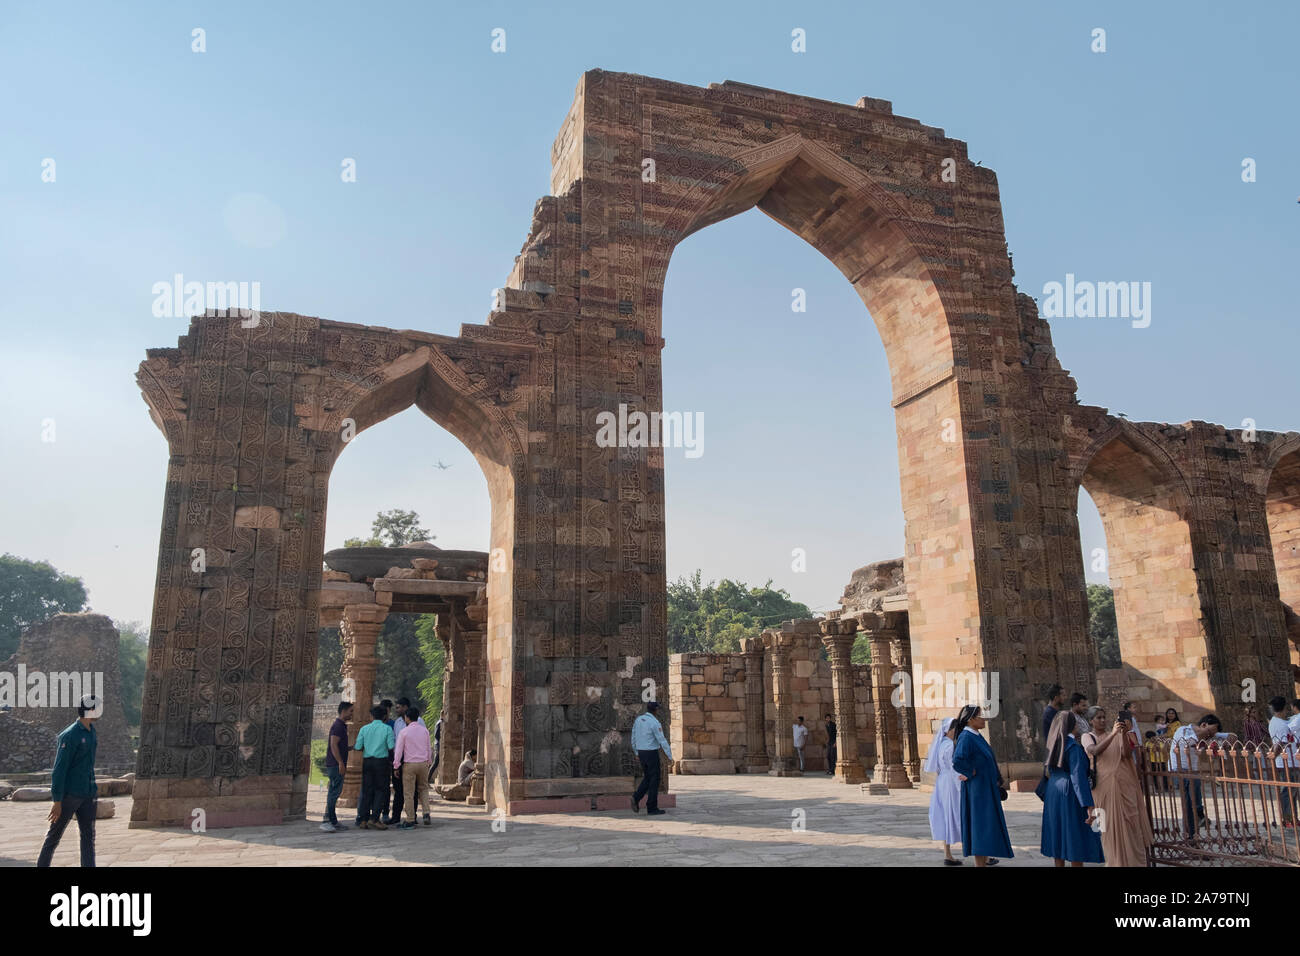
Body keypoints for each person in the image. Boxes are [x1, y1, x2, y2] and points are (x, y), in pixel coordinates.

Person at [37, 695, 101, 867]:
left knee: (88, 836)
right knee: (54, 837)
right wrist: (57, 800)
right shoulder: (70, 735)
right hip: (69, 795)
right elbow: (59, 769)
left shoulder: (91, 732)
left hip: (87, 793)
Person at [950, 704, 1012, 866]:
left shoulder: (976, 735)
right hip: (978, 791)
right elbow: (958, 760)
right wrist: (971, 772)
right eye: (980, 715)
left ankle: (984, 861)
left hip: (986, 788)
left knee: (987, 825)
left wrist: (997, 779)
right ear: (971, 719)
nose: (984, 718)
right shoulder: (966, 737)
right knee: (980, 826)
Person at [1040, 709, 1103, 867]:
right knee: (1076, 835)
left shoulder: (1054, 745)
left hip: (1053, 791)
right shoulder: (1073, 747)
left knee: (1058, 834)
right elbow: (1078, 777)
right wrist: (1088, 804)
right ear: (1071, 725)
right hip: (1069, 792)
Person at [1092, 710, 1152, 867]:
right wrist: (1113, 734)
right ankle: (1113, 862)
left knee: (1132, 822)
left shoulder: (1124, 735)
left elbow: (1126, 754)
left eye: (1104, 717)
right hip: (1103, 788)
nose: (1103, 720)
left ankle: (1136, 863)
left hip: (1126, 784)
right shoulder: (1088, 737)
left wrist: (1124, 734)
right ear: (1091, 721)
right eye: (1099, 718)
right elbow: (1094, 751)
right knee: (1107, 827)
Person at [1168, 714, 1236, 836]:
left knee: (1189, 804)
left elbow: (1233, 736)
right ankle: (1198, 817)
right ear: (1203, 725)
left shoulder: (1208, 734)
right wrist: (1204, 736)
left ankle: (1191, 833)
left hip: (1192, 771)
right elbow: (1184, 743)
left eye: (1212, 733)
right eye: (1209, 731)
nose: (1210, 735)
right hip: (1178, 770)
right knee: (1191, 799)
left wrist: (1220, 736)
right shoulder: (1183, 730)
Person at [925, 717, 962, 865]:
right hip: (952, 783)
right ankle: (982, 855)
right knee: (961, 815)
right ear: (950, 730)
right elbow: (954, 768)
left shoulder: (941, 745)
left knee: (946, 816)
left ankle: (948, 854)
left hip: (942, 783)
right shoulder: (950, 747)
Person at [354, 704, 396, 830]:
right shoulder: (387, 729)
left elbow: (357, 747)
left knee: (366, 790)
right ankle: (375, 818)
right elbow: (390, 746)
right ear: (384, 716)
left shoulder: (364, 729)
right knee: (380, 790)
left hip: (367, 761)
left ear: (371, 716)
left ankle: (363, 819)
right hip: (381, 762)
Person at [393, 706, 433, 829]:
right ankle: (426, 813)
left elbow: (398, 751)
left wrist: (396, 765)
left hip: (409, 764)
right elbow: (428, 747)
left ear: (407, 718)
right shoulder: (424, 731)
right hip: (423, 764)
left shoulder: (404, 732)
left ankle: (410, 819)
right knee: (424, 789)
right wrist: (429, 761)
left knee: (409, 793)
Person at [630, 701, 673, 815]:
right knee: (655, 780)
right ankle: (652, 807)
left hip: (641, 752)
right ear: (656, 710)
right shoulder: (654, 722)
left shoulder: (638, 720)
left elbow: (633, 736)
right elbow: (662, 740)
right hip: (651, 753)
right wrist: (669, 755)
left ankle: (636, 797)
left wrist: (636, 752)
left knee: (648, 777)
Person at [321, 700, 354, 832]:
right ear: (344, 711)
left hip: (336, 763)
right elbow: (334, 744)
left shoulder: (342, 726)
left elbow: (339, 746)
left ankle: (331, 819)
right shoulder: (338, 726)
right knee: (334, 793)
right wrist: (340, 762)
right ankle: (328, 820)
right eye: (351, 711)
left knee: (334, 792)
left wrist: (351, 748)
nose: (352, 714)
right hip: (335, 764)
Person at [1268, 695, 1298, 829]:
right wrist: (1274, 756)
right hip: (1287, 762)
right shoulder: (1279, 724)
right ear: (1284, 708)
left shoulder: (1280, 722)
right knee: (1288, 791)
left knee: (1293, 791)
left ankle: (1293, 818)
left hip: (1291, 761)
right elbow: (1281, 743)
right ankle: (1288, 819)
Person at [429, 709, 445, 784]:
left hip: (438, 744)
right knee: (436, 763)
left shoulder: (441, 722)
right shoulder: (440, 723)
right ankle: (427, 779)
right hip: (438, 745)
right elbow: (436, 735)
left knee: (437, 762)